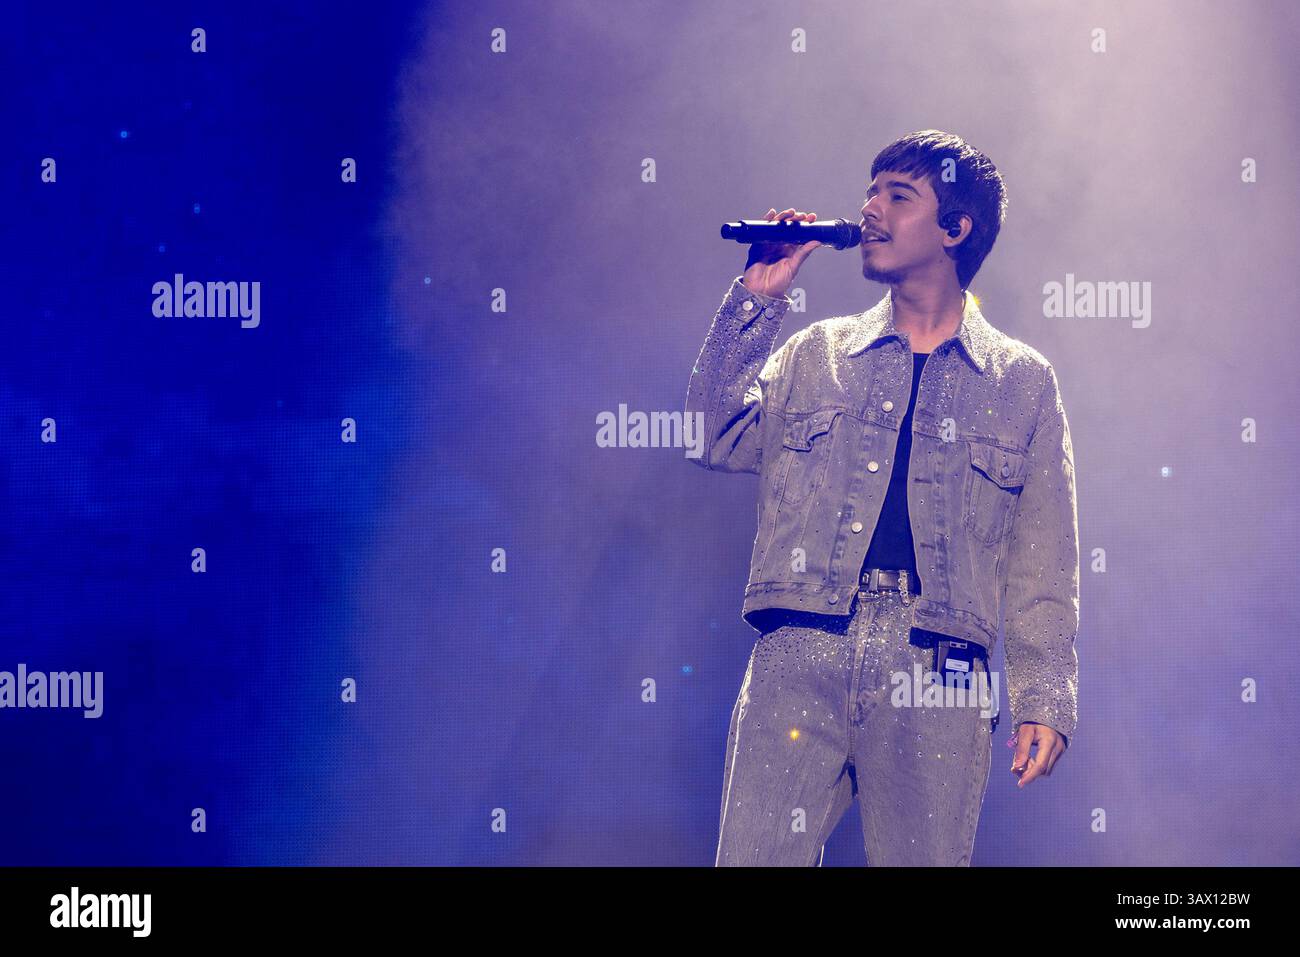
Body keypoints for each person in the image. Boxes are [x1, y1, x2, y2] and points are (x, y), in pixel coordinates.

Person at [685, 130, 1080, 866]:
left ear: (955, 227)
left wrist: (1044, 693)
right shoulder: (815, 353)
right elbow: (711, 435)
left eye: (897, 195)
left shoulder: (1021, 383)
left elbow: (1044, 557)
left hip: (939, 669)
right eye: (870, 191)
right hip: (799, 647)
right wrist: (755, 302)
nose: (870, 209)